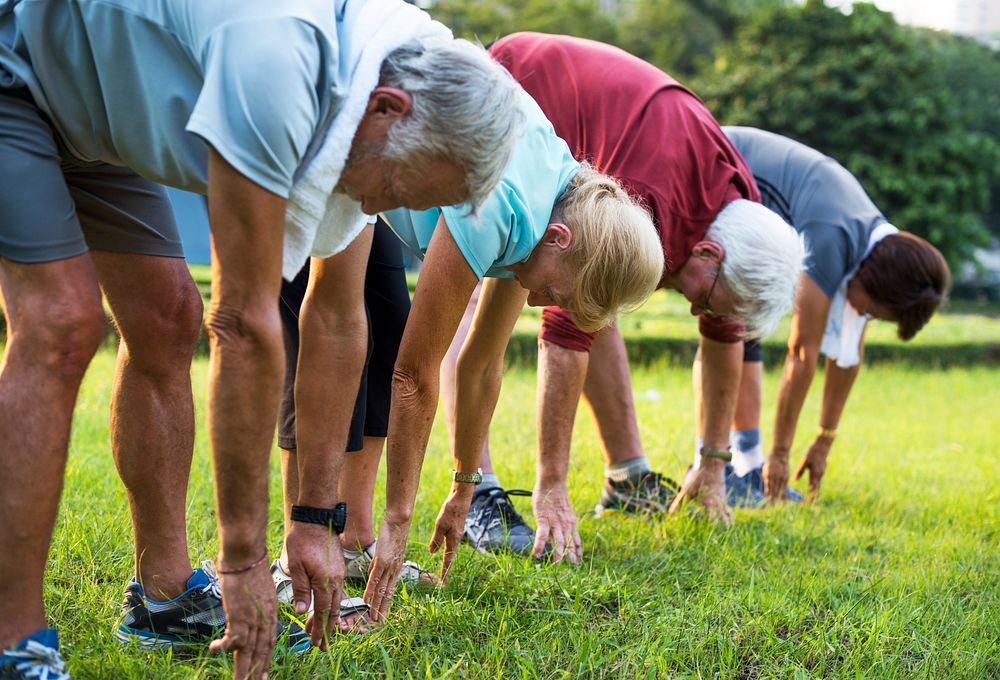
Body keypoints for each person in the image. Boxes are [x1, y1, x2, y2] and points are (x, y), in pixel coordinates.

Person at [0, 0, 522, 677]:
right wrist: (243, 558)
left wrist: (312, 520)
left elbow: (334, 318)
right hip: (20, 70)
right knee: (63, 321)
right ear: (389, 110)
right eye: (400, 187)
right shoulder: (277, 63)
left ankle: (161, 600)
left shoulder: (367, 105)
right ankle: (15, 641)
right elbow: (244, 323)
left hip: (97, 119)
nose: (387, 208)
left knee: (166, 318)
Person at [276, 81, 666, 626]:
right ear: (560, 239)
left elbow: (481, 365)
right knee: (331, 333)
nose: (543, 302)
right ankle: (294, 552)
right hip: (337, 126)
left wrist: (465, 485)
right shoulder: (504, 207)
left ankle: (354, 543)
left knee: (385, 326)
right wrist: (400, 519)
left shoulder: (556, 208)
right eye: (558, 295)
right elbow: (415, 376)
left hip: (391, 160)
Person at [437, 32, 805, 563]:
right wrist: (552, 485)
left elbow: (726, 332)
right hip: (516, 85)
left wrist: (714, 460)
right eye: (707, 300)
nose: (700, 312)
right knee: (477, 289)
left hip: (605, 128)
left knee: (600, 298)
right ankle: (479, 491)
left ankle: (627, 478)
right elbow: (564, 336)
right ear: (706, 252)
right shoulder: (648, 204)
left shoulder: (738, 213)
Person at [508, 126, 950, 524]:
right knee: (726, 319)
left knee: (737, 322)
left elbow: (849, 350)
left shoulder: (873, 247)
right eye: (874, 311)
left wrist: (824, 438)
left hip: (745, 208)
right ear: (881, 284)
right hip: (719, 188)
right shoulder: (832, 240)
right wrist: (779, 457)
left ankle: (736, 462)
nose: (865, 315)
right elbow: (801, 353)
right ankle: (741, 462)